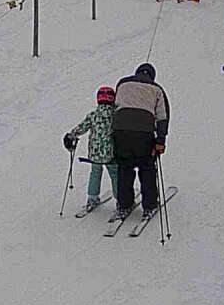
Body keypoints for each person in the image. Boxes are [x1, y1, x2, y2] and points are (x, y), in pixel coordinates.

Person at [112, 63, 169, 219]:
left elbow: (115, 106)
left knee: (124, 167)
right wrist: (160, 141)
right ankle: (150, 205)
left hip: (121, 131)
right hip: (143, 133)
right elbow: (162, 117)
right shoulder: (157, 89)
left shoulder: (122, 83)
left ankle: (124, 205)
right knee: (147, 168)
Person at [64, 86, 118, 215]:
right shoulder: (115, 115)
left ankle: (92, 198)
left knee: (95, 172)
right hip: (111, 153)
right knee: (115, 175)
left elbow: (82, 127)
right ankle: (120, 200)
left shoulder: (93, 115)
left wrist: (71, 135)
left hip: (95, 153)